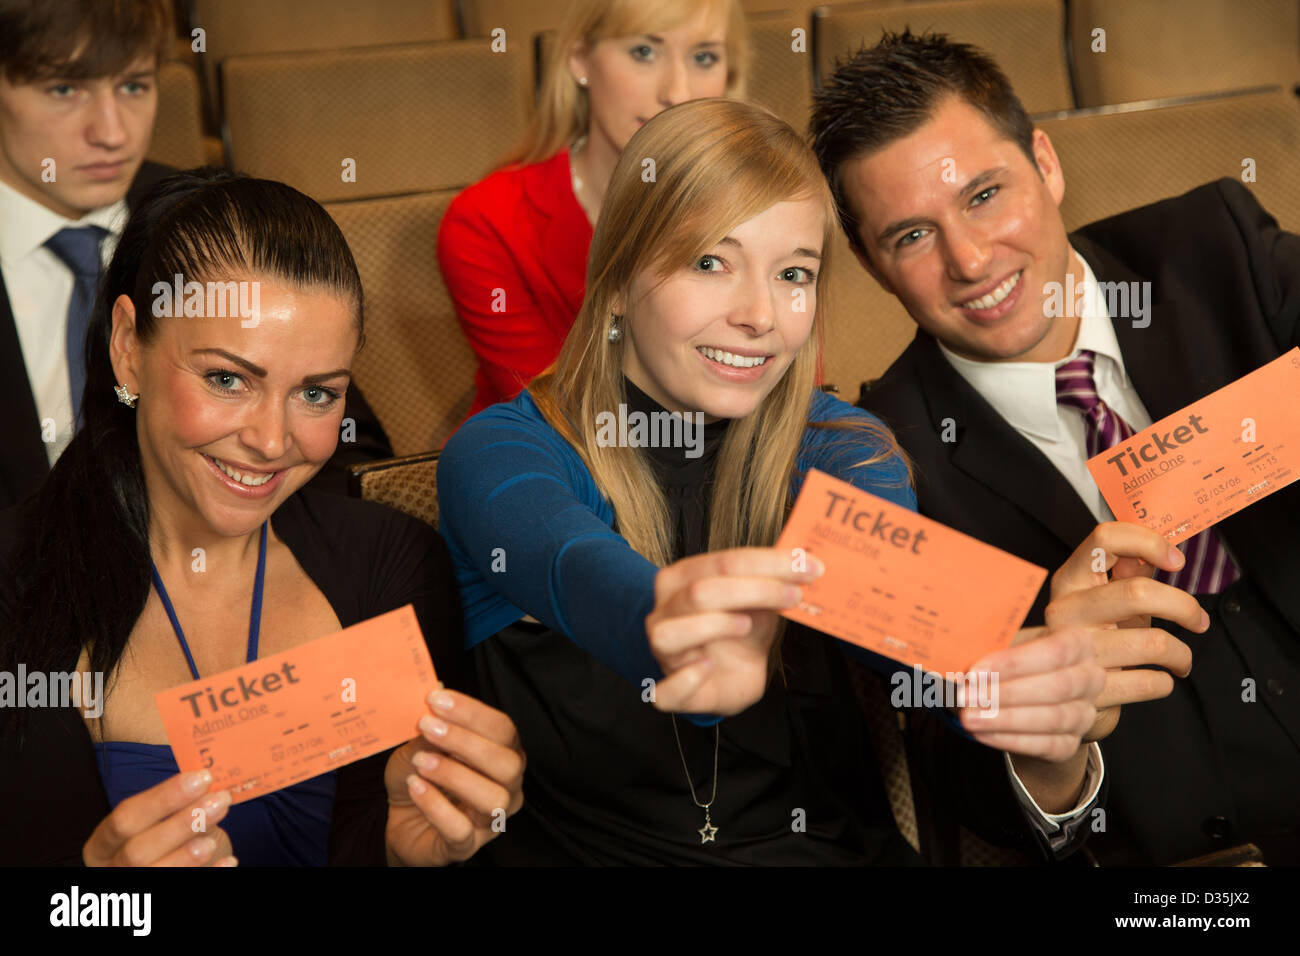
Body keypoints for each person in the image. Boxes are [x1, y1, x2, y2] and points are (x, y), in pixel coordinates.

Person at [437, 97, 1206, 865]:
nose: (759, 314)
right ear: (615, 278)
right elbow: (573, 566)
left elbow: (903, 618)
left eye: (793, 273)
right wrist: (674, 627)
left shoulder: (840, 446)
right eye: (711, 262)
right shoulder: (501, 454)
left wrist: (1012, 660)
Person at [810, 30, 1300, 865]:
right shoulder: (869, 471)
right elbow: (961, 795)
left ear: (1045, 161)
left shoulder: (1217, 246)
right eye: (911, 237)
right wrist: (1048, 738)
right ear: (867, 261)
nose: (970, 260)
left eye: (984, 194)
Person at [0, 169, 523, 867]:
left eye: (315, 393)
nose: (273, 441)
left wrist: (401, 851)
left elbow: (370, 836)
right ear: (128, 347)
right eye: (227, 380)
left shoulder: (391, 565)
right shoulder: (15, 585)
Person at [0, 0, 391, 510]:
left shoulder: (211, 217)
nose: (113, 133)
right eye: (65, 89)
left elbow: (349, 460)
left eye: (133, 86)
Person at [437, 0, 750, 421]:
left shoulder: (759, 208)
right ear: (581, 59)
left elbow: (794, 397)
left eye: (704, 57)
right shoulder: (487, 221)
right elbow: (562, 413)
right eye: (644, 51)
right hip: (555, 467)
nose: (677, 92)